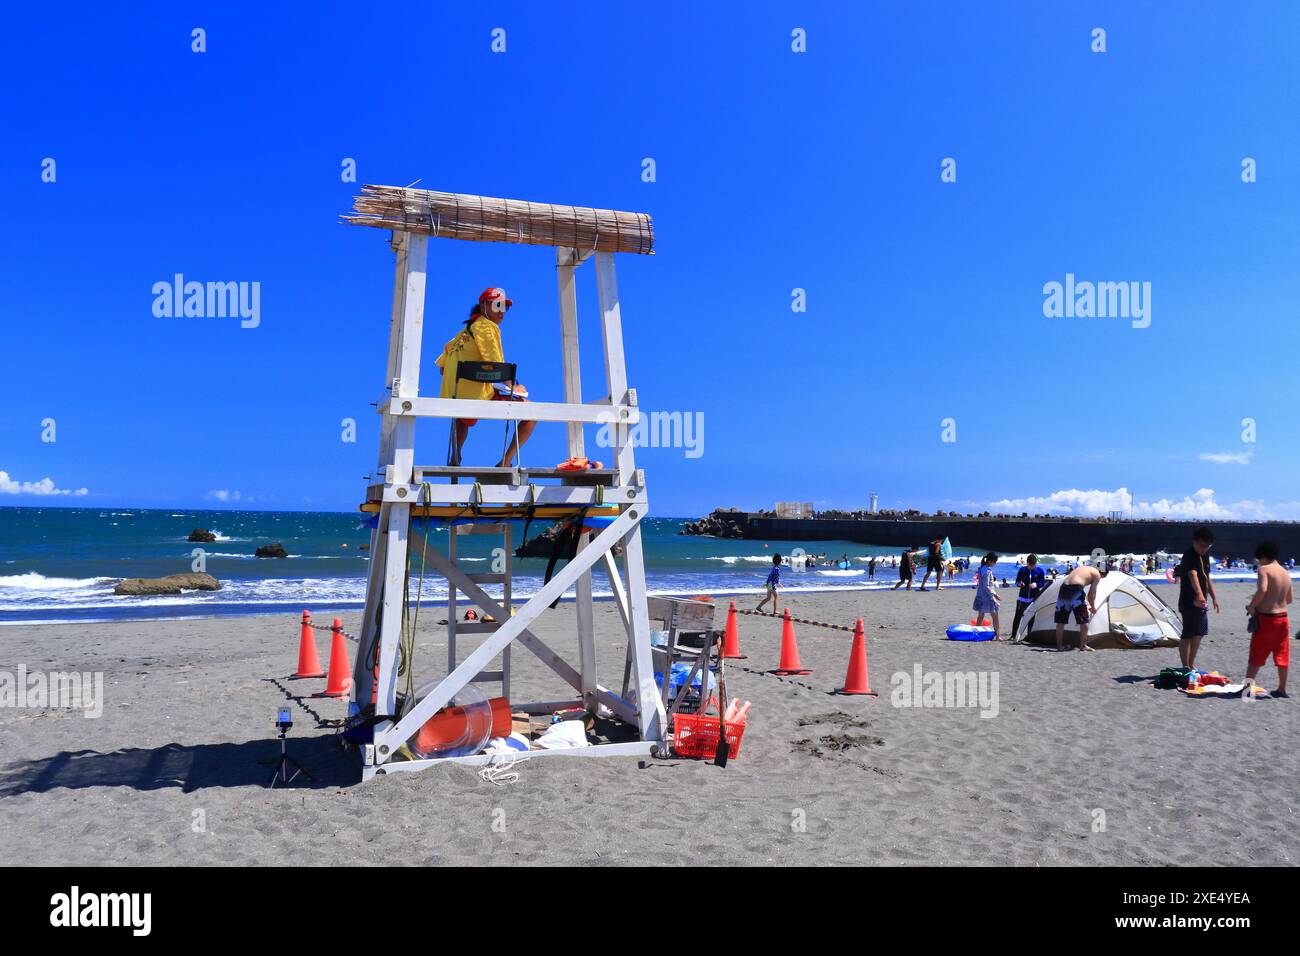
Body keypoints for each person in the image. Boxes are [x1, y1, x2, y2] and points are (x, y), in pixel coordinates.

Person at [436, 287, 535, 467]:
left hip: (454, 396)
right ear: (483, 306)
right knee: (532, 413)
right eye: (497, 306)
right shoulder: (487, 326)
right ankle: (506, 461)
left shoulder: (463, 333)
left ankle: (456, 455)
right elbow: (495, 362)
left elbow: (442, 368)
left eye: (505, 307)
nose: (501, 312)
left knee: (463, 416)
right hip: (476, 396)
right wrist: (513, 386)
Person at [1245, 541, 1291, 697]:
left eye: (1259, 558)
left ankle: (1247, 688)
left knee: (1256, 654)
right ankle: (1282, 689)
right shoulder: (1285, 572)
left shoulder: (1264, 569)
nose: (1259, 562)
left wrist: (1252, 606)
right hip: (1283, 619)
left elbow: (1263, 589)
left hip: (1267, 619)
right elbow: (1289, 599)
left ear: (1263, 556)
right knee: (1282, 654)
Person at [1172, 527, 1218, 670]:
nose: (1204, 549)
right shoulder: (1189, 555)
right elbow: (1193, 575)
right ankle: (1185, 665)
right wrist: (1199, 594)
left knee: (1200, 633)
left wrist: (1214, 597)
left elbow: (1207, 577)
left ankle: (1191, 663)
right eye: (1202, 546)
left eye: (1207, 546)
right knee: (1188, 634)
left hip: (1201, 602)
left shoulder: (1204, 554)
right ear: (1194, 542)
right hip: (1189, 601)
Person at [1054, 563, 1105, 651]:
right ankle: (1083, 645)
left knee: (1060, 620)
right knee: (1084, 619)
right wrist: (1093, 607)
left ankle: (1059, 646)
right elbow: (1091, 595)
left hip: (1064, 587)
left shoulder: (1083, 567)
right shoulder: (1097, 574)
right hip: (1076, 589)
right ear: (1103, 573)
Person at [1011, 554, 1047, 640]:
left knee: (1031, 617)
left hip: (1033, 598)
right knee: (1018, 617)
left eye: (1032, 565)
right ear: (1027, 563)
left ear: (1035, 563)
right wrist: (1020, 584)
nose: (1031, 567)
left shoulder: (1039, 571)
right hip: (1022, 598)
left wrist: (1036, 585)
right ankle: (1013, 635)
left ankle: (1029, 636)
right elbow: (1017, 581)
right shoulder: (1022, 570)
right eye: (1029, 565)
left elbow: (1042, 583)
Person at [973, 552, 1002, 637]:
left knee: (981, 615)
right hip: (988, 596)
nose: (995, 564)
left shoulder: (982, 568)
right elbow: (987, 585)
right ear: (990, 561)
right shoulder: (987, 571)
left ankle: (977, 633)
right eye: (994, 562)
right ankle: (997, 635)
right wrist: (995, 595)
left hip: (981, 595)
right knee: (995, 615)